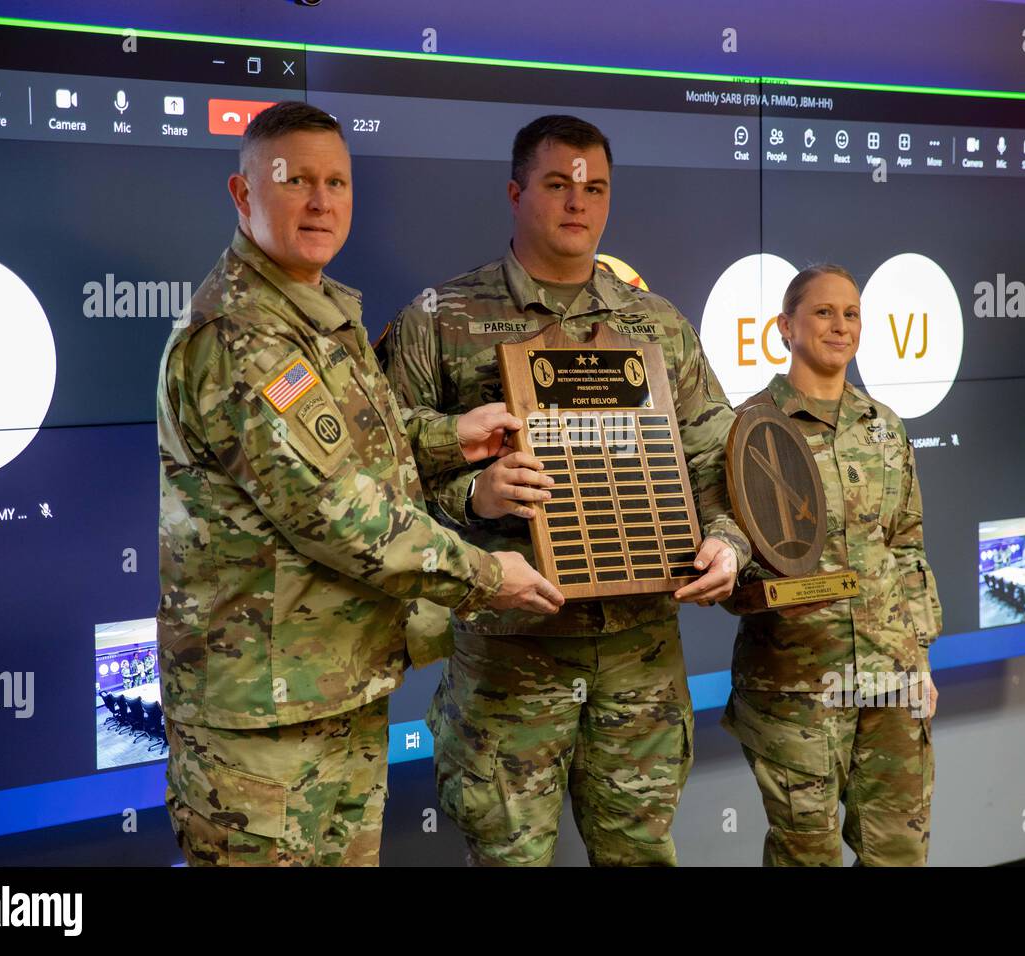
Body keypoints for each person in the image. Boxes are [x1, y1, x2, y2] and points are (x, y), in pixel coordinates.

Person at [155, 101, 563, 867]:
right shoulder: (243, 336)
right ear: (244, 196)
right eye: (296, 180)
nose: (321, 201)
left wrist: (451, 436)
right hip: (261, 727)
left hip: (334, 691)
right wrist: (484, 575)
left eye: (336, 182)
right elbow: (336, 512)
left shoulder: (310, 315)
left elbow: (346, 447)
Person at [382, 114, 749, 866]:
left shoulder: (657, 325)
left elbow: (717, 455)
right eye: (557, 184)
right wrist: (474, 496)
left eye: (594, 188)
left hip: (639, 659)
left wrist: (729, 541)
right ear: (516, 193)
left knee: (640, 855)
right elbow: (380, 483)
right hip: (509, 665)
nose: (577, 202)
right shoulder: (439, 321)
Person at [720, 264, 943, 866]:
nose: (839, 325)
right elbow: (727, 567)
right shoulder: (748, 429)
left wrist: (919, 660)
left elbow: (907, 547)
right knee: (806, 857)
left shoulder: (885, 428)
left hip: (891, 682)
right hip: (797, 689)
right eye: (822, 312)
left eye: (851, 313)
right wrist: (769, 592)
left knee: (899, 851)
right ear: (785, 327)